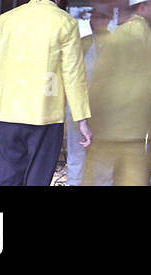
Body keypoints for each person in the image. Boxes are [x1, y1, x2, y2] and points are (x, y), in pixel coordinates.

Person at [0, 0, 91, 186]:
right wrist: (82, 120)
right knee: (37, 180)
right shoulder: (66, 24)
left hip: (7, 115)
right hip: (45, 117)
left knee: (5, 180)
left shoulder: (6, 21)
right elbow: (73, 75)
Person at [83, 0, 151, 187]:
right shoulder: (138, 32)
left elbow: (101, 80)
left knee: (100, 178)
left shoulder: (125, 33)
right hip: (132, 127)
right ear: (143, 6)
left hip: (111, 127)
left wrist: (89, 117)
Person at [64, 15, 99, 186]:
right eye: (95, 17)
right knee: (77, 150)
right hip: (78, 102)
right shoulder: (83, 44)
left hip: (102, 104)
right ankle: (75, 182)